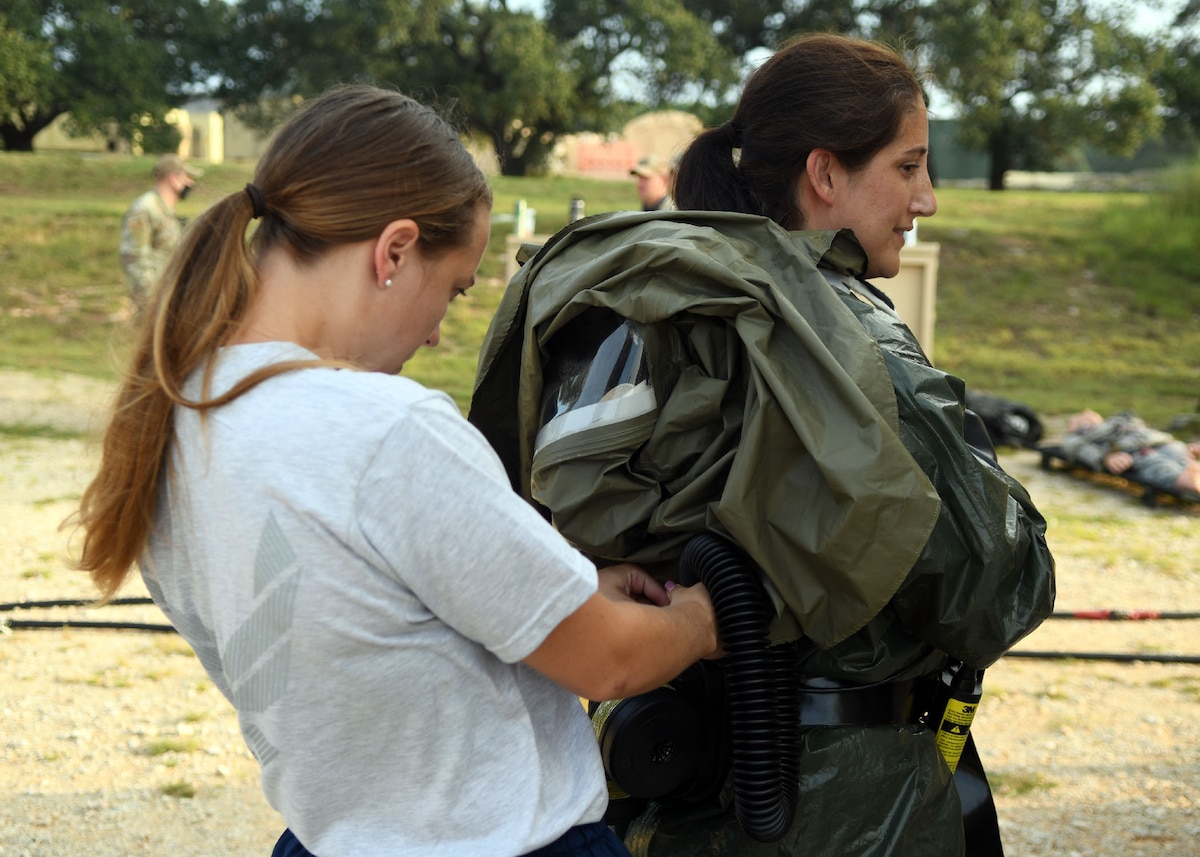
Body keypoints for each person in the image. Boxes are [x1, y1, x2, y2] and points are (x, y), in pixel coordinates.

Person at [71, 84, 719, 857]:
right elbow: (609, 661)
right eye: (453, 288)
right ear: (395, 251)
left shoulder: (170, 425)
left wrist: (564, 591)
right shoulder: (385, 429)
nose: (439, 332)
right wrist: (700, 619)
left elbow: (368, 633)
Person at [469, 33, 1055, 857]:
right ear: (825, 173)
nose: (925, 199)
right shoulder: (847, 343)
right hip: (842, 808)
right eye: (908, 166)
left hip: (653, 774)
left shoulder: (650, 300)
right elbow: (998, 592)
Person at [118, 153, 199, 312]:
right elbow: (134, 258)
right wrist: (150, 302)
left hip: (167, 298)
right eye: (188, 177)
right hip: (152, 303)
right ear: (174, 178)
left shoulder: (165, 210)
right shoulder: (145, 208)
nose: (191, 183)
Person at [1061, 409, 1200, 495]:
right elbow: (1083, 450)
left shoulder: (1118, 420)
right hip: (1134, 451)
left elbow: (1148, 431)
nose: (1088, 413)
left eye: (1092, 414)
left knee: (1178, 452)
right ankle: (1189, 479)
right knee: (1155, 462)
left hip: (1161, 441)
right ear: (1072, 426)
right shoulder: (1076, 437)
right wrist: (1106, 458)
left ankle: (1191, 467)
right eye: (1081, 416)